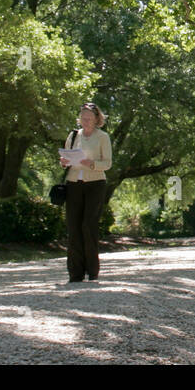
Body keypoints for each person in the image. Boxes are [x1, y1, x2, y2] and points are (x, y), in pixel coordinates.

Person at [61, 102, 112, 282]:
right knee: (73, 227)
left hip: (95, 183)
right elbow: (66, 157)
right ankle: (75, 273)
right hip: (74, 182)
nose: (86, 121)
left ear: (97, 119)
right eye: (83, 117)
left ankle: (92, 270)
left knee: (88, 226)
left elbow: (107, 163)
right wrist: (65, 161)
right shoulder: (74, 135)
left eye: (89, 118)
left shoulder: (103, 137)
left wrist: (91, 164)